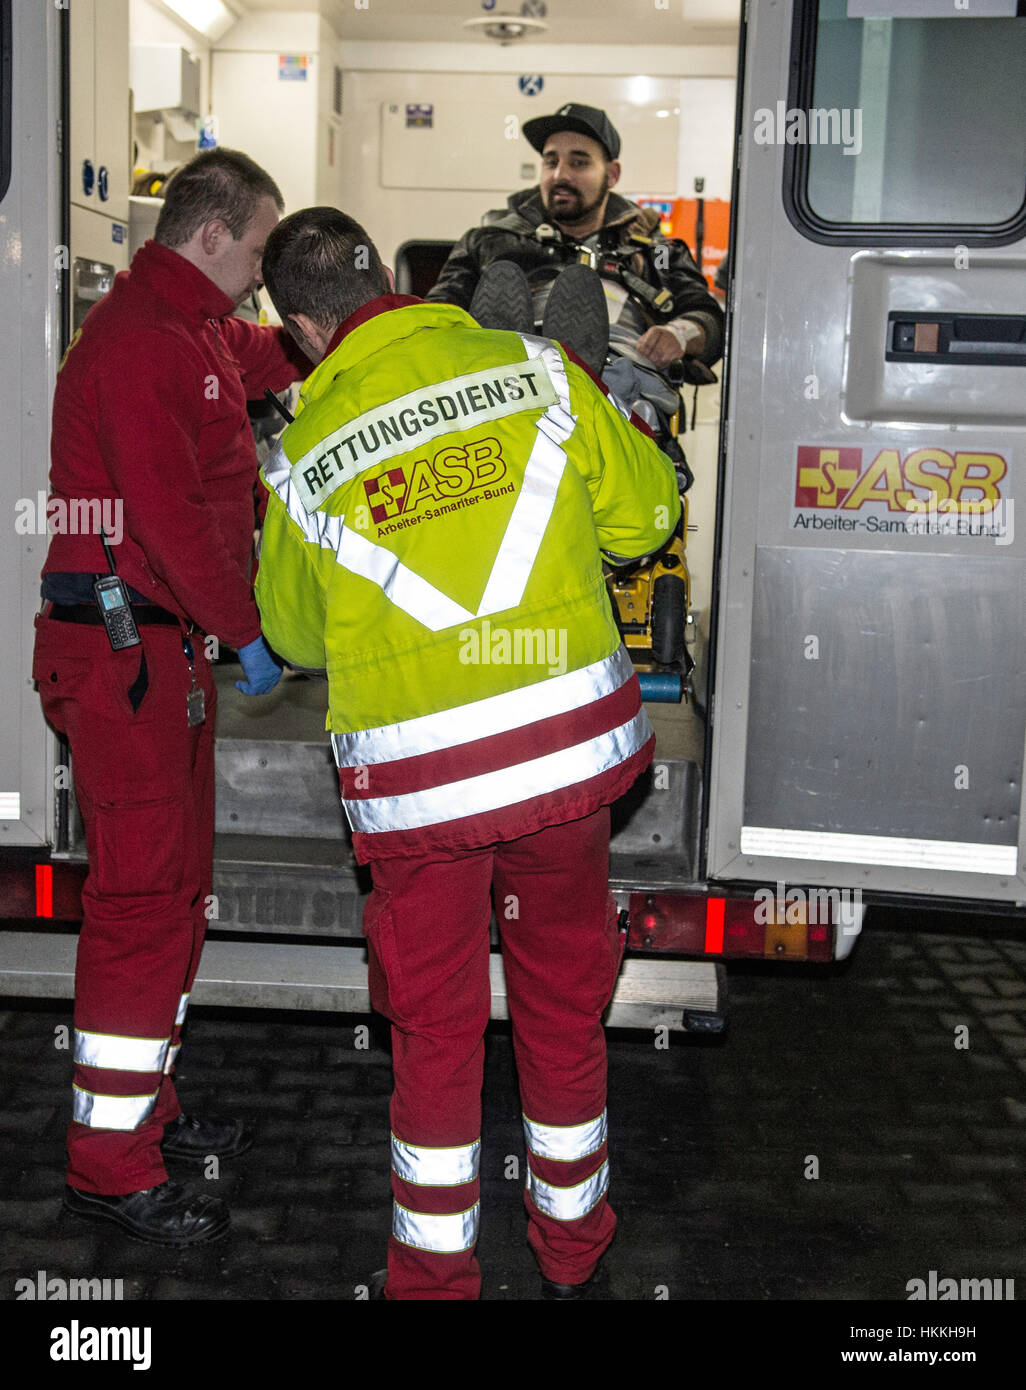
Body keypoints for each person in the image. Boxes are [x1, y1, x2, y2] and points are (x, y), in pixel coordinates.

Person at [255, 206, 681, 1300]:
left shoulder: (304, 451)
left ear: (303, 327)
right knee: (558, 996)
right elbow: (646, 518)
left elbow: (295, 636)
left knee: (436, 1029)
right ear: (388, 275)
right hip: (562, 768)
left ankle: (435, 1277)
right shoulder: (537, 371)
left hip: (422, 797)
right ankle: (574, 1246)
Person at [33, 149, 308, 1244]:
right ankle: (108, 1162)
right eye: (256, 252)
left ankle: (151, 1107)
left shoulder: (190, 327)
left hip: (156, 655)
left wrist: (388, 321)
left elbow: (275, 350)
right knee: (142, 905)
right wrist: (248, 630)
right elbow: (166, 519)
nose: (260, 277)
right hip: (122, 656)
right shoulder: (145, 344)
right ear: (210, 237)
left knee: (180, 890)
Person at [425, 102, 723, 378]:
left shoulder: (656, 252)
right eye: (550, 161)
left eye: (579, 163)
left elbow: (707, 318)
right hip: (503, 396)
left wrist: (679, 334)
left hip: (621, 388)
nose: (560, 175)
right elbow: (434, 315)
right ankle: (512, 357)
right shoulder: (490, 241)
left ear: (612, 174)